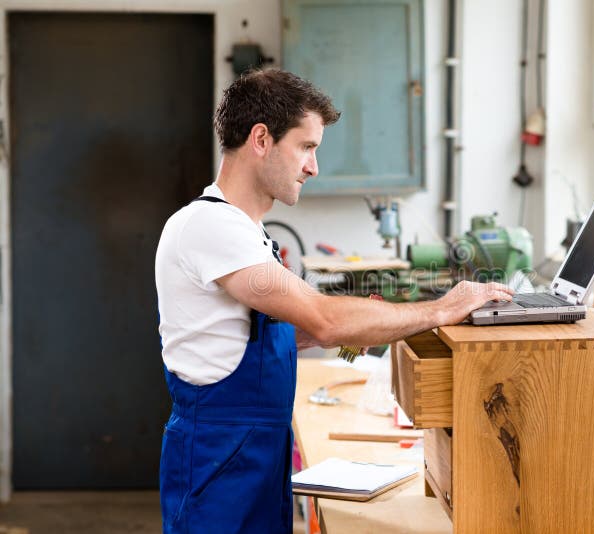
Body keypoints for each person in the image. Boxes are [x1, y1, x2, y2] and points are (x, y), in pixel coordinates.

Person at [154, 68, 514, 534]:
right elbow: (324, 319)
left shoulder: (246, 233)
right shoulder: (210, 228)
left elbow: (263, 336)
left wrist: (363, 329)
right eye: (306, 147)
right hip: (219, 466)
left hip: (249, 461)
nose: (313, 167)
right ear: (261, 139)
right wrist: (444, 308)